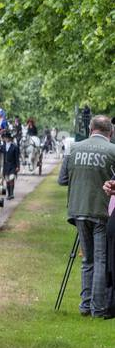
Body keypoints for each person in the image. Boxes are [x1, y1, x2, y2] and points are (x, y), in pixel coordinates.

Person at [61, 115, 115, 318]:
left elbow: (63, 179)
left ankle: (85, 305)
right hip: (101, 211)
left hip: (78, 210)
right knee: (101, 260)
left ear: (91, 129)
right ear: (110, 132)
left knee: (87, 260)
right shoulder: (113, 151)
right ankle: (98, 308)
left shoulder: (74, 148)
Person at [0, 128, 20, 199]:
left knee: (11, 179)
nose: (7, 139)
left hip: (13, 165)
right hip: (6, 165)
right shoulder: (3, 147)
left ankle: (12, 194)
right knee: (7, 180)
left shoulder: (15, 147)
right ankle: (9, 194)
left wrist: (18, 166)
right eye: (6, 138)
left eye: (8, 138)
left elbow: (17, 157)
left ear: (10, 139)